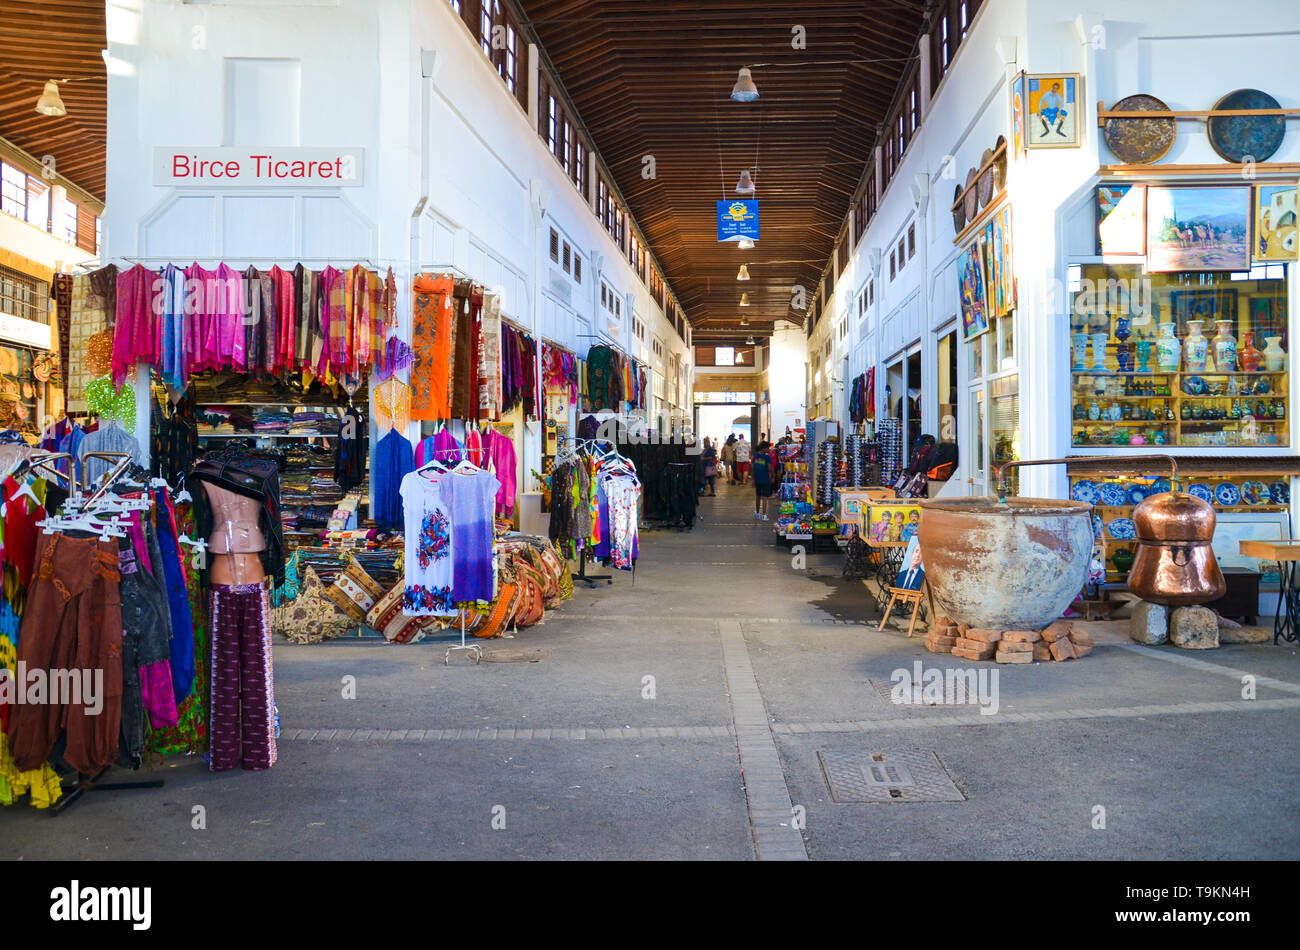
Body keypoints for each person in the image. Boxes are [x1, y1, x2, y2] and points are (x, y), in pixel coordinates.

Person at [752, 440, 774, 520]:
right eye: (768, 448)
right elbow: (769, 468)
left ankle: (757, 513)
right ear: (764, 448)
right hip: (765, 479)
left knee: (758, 496)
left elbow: (753, 468)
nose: (769, 449)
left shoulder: (755, 457)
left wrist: (753, 479)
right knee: (765, 497)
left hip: (758, 479)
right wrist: (773, 476)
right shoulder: (767, 457)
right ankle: (764, 515)